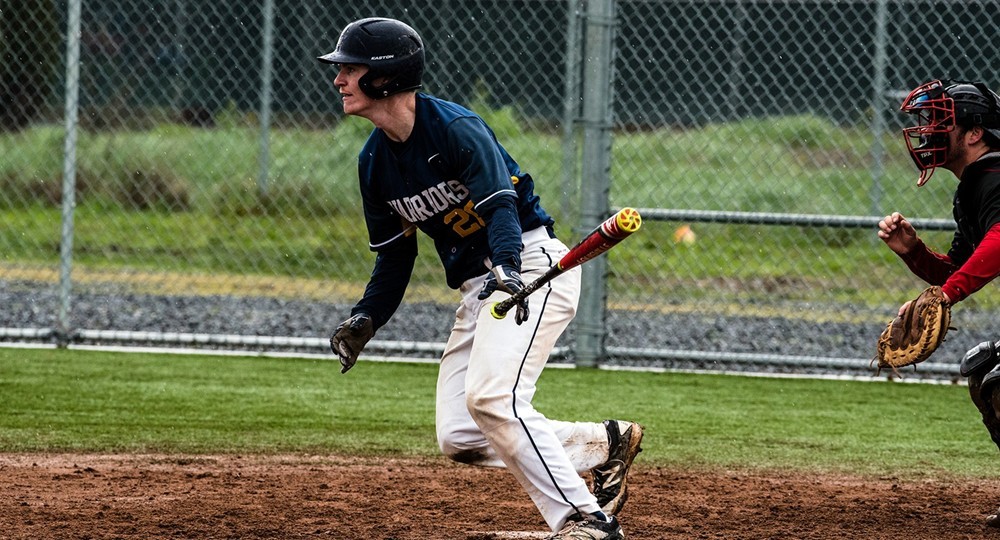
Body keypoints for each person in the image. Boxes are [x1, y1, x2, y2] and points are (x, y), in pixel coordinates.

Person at [319, 17, 643, 539]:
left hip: (531, 267)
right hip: (482, 288)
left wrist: (509, 267)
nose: (338, 80)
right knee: (460, 434)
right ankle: (602, 444)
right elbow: (395, 259)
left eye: (350, 69)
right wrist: (368, 317)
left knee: (494, 398)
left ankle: (587, 522)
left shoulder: (454, 128)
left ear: (385, 76)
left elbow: (501, 207)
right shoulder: (374, 162)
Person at [878, 78, 1000, 526]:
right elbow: (961, 269)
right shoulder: (974, 186)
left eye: (939, 121)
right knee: (986, 376)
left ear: (974, 133)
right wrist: (914, 252)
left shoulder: (996, 177)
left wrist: (946, 296)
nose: (927, 130)